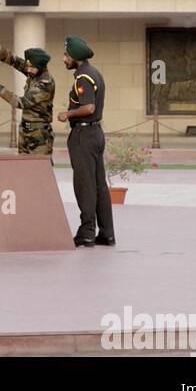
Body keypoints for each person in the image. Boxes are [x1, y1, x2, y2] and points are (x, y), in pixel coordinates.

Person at [56, 36, 115, 248]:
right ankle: (107, 233)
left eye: (66, 55)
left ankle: (87, 232)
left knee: (85, 185)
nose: (63, 59)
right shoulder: (94, 73)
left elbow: (88, 107)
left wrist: (67, 114)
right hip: (96, 133)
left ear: (75, 57)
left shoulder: (83, 77)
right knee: (99, 185)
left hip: (84, 136)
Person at [0, 34, 55, 156]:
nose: (28, 69)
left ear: (40, 67)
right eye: (28, 66)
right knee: (23, 170)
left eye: (32, 67)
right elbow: (10, 58)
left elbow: (21, 103)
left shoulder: (45, 84)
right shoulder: (33, 71)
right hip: (25, 130)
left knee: (39, 170)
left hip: (40, 135)